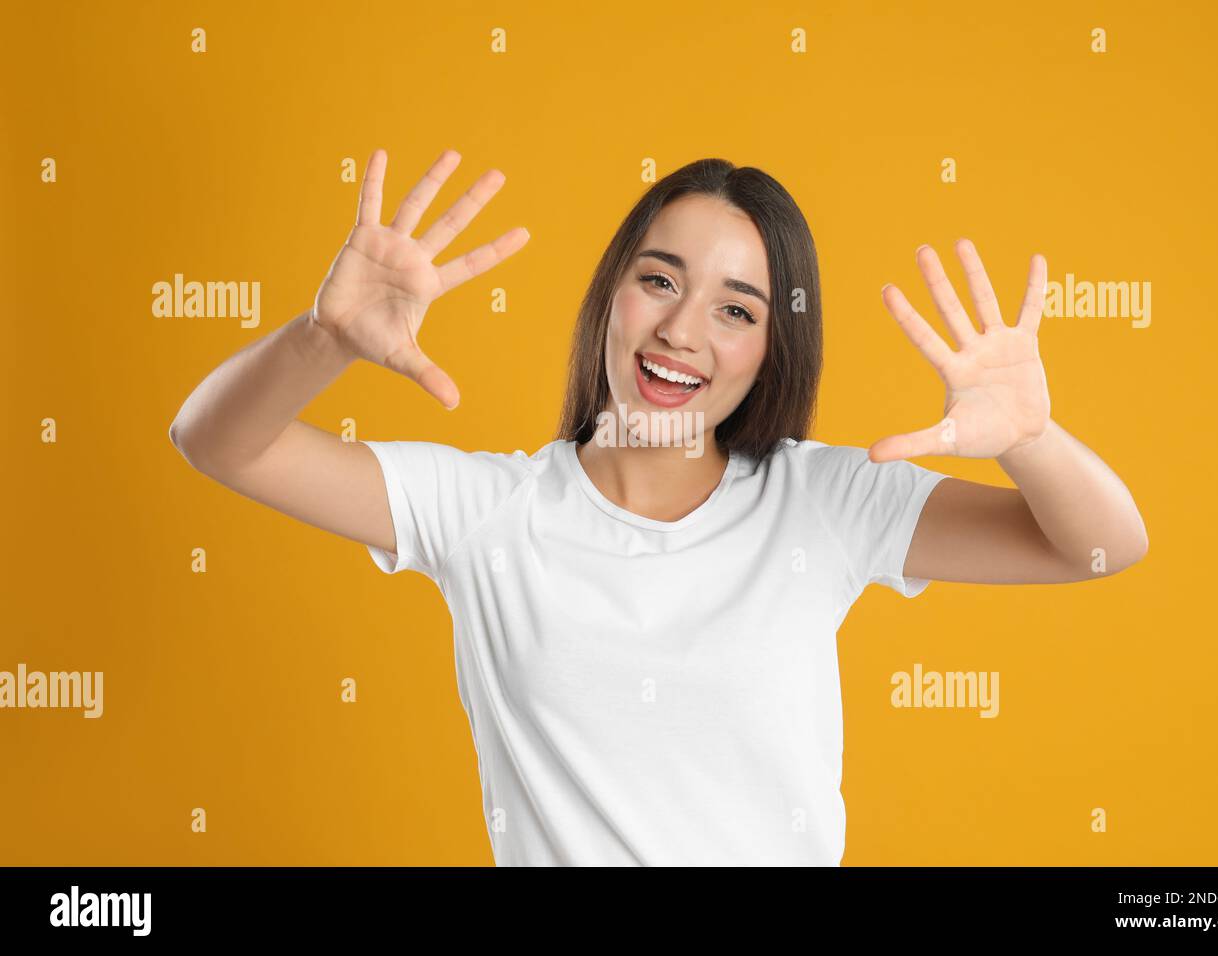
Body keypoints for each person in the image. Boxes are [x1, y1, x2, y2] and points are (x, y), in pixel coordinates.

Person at [168, 148, 1149, 866]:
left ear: (773, 346)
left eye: (736, 308)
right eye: (658, 280)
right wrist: (323, 338)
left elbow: (1101, 546)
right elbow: (216, 440)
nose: (682, 330)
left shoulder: (821, 503)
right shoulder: (487, 510)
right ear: (610, 295)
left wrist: (1028, 435)